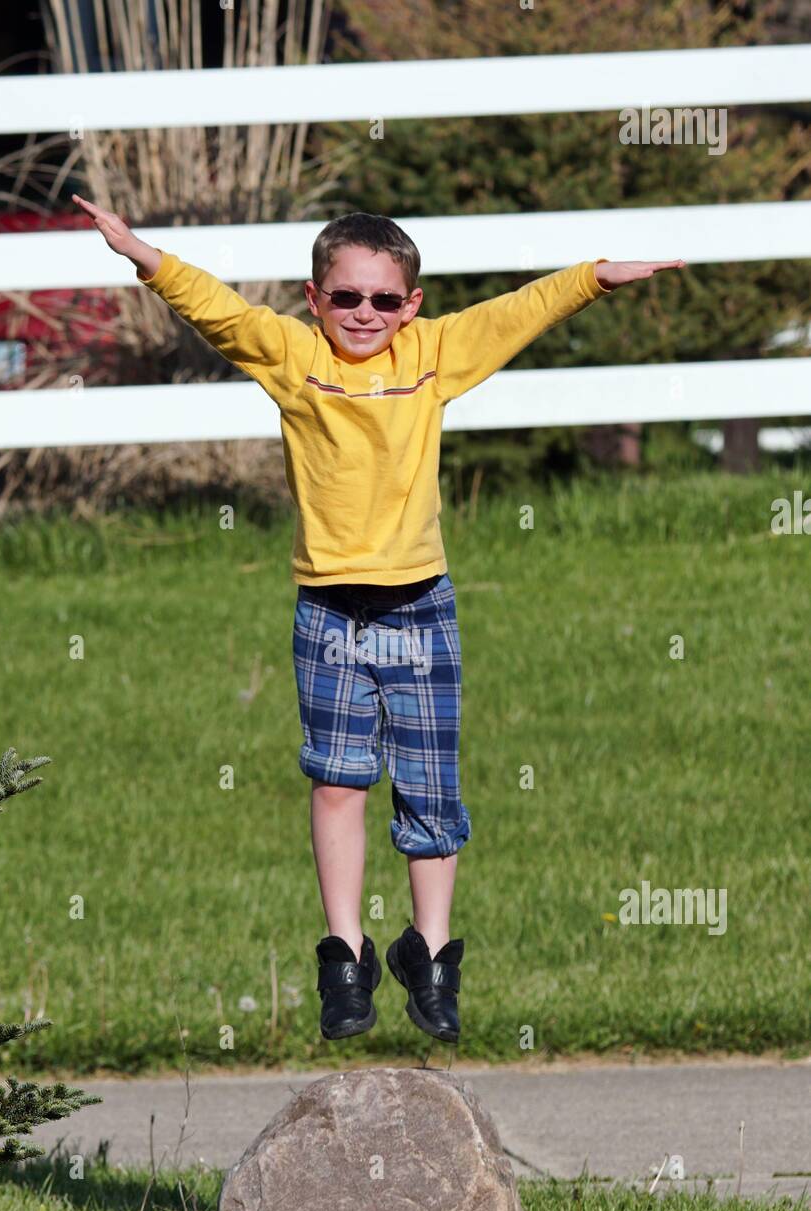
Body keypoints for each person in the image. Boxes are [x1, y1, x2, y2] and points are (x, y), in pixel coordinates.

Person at [73, 192, 684, 1046]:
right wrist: (143, 255)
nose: (366, 314)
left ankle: (430, 955)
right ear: (315, 298)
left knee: (431, 788)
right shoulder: (291, 354)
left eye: (385, 299)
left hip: (419, 605)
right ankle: (345, 952)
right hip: (328, 610)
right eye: (347, 298)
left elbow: (516, 313)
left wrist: (593, 279)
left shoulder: (436, 354)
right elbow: (219, 309)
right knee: (336, 780)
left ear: (413, 304)